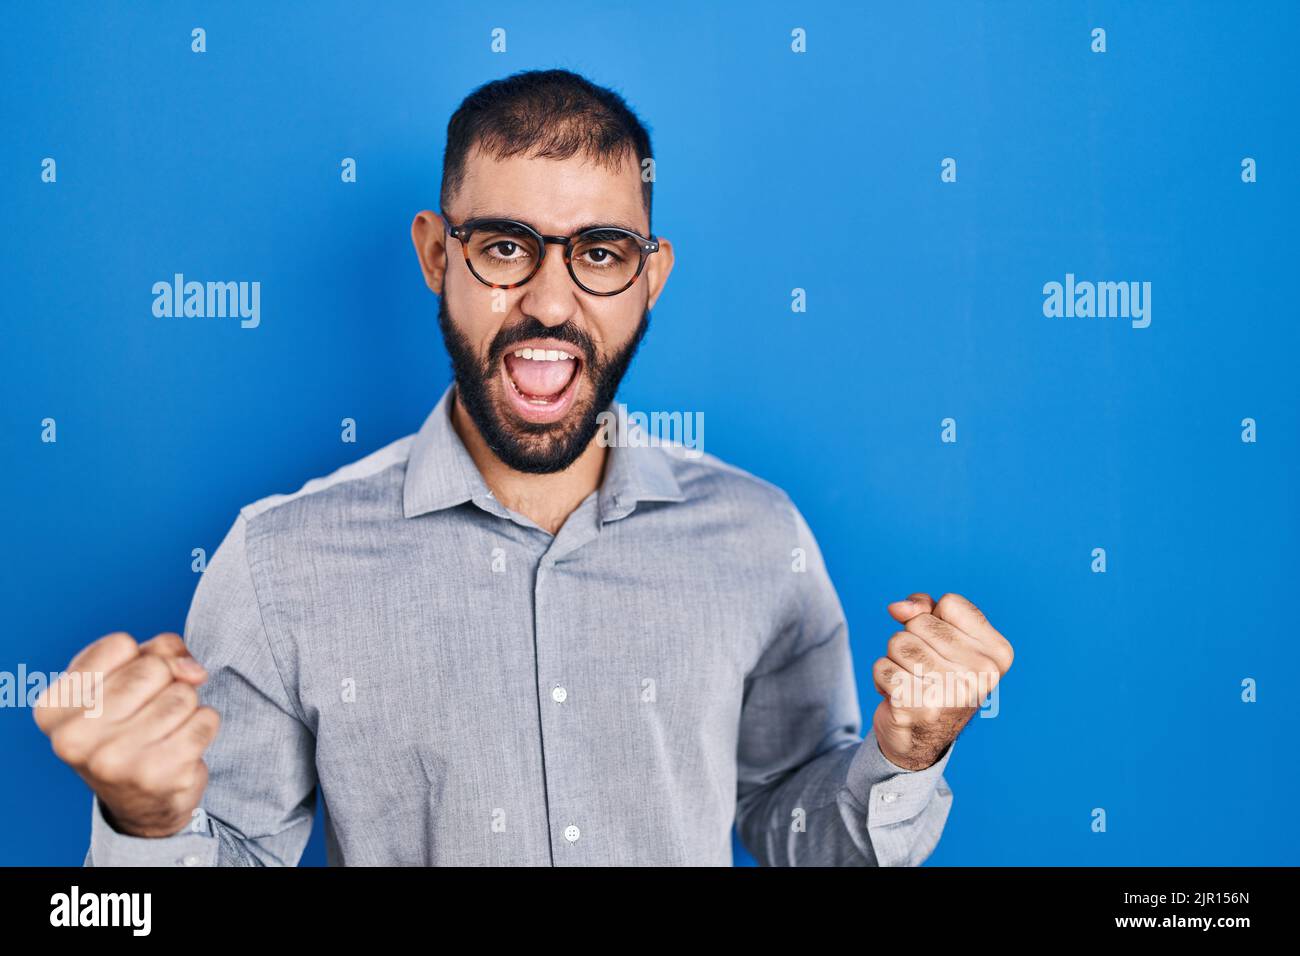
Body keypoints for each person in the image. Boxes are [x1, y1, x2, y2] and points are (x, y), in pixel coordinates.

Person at [35, 69, 1013, 866]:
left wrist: (906, 753)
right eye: (505, 246)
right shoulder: (280, 557)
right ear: (435, 254)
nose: (549, 300)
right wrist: (146, 825)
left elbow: (801, 833)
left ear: (651, 276)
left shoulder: (758, 538)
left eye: (599, 251)